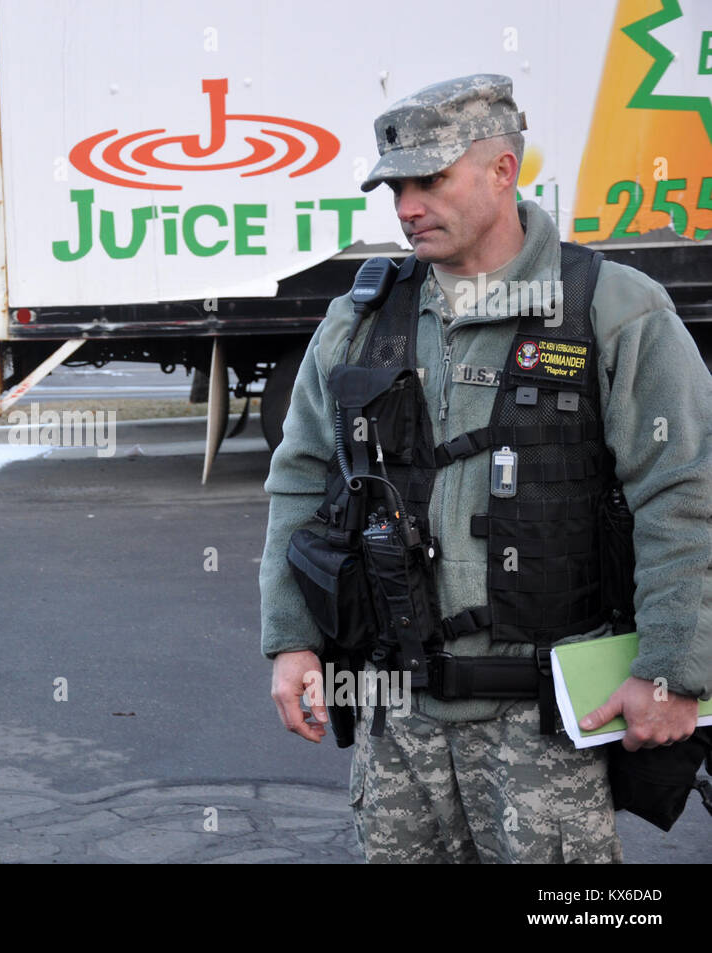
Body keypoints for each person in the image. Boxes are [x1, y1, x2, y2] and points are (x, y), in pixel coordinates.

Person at [259, 74, 712, 863]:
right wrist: (291, 641)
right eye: (395, 186)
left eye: (429, 180)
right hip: (396, 717)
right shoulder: (359, 320)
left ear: (504, 170)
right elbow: (301, 477)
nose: (405, 206)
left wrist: (673, 668)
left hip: (547, 725)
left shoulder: (611, 308)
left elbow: (684, 492)